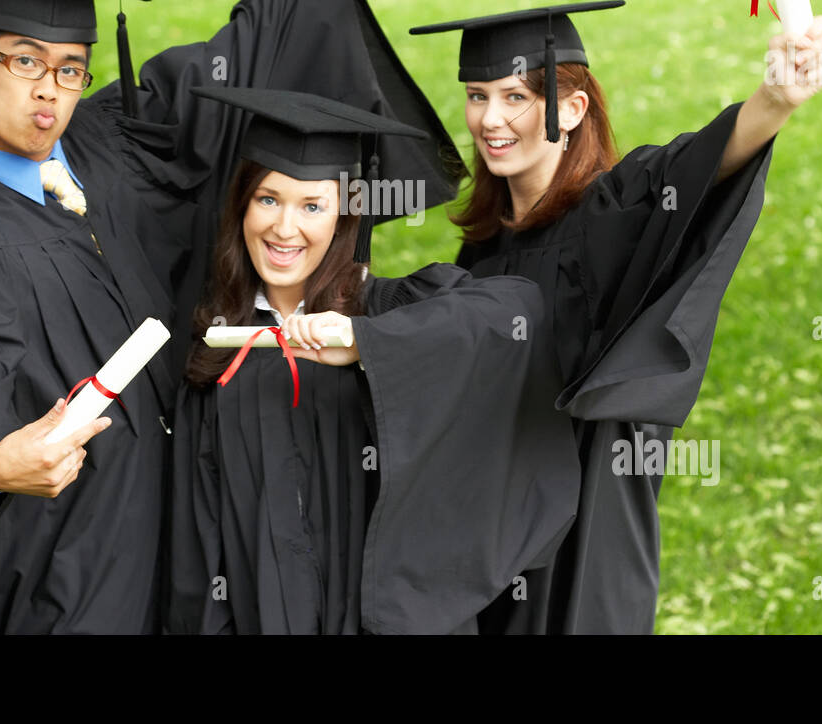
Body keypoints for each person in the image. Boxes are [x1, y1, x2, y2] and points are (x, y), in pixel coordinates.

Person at [0, 0, 460, 634]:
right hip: (66, 562)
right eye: (25, 61)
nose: (48, 91)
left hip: (186, 534)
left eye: (70, 68)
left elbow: (237, 62)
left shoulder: (117, 142)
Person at [409, 1, 822, 633]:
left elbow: (697, 169)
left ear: (573, 109)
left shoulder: (614, 210)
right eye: (477, 95)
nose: (490, 119)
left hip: (587, 520)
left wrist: (775, 99)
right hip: (495, 530)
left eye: (516, 97)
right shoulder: (486, 246)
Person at [165, 88, 580, 634]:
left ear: (345, 219)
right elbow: (201, 549)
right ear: (241, 207)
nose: (284, 228)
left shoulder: (389, 309)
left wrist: (367, 342)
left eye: (312, 205)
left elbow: (514, 313)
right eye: (267, 199)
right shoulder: (222, 349)